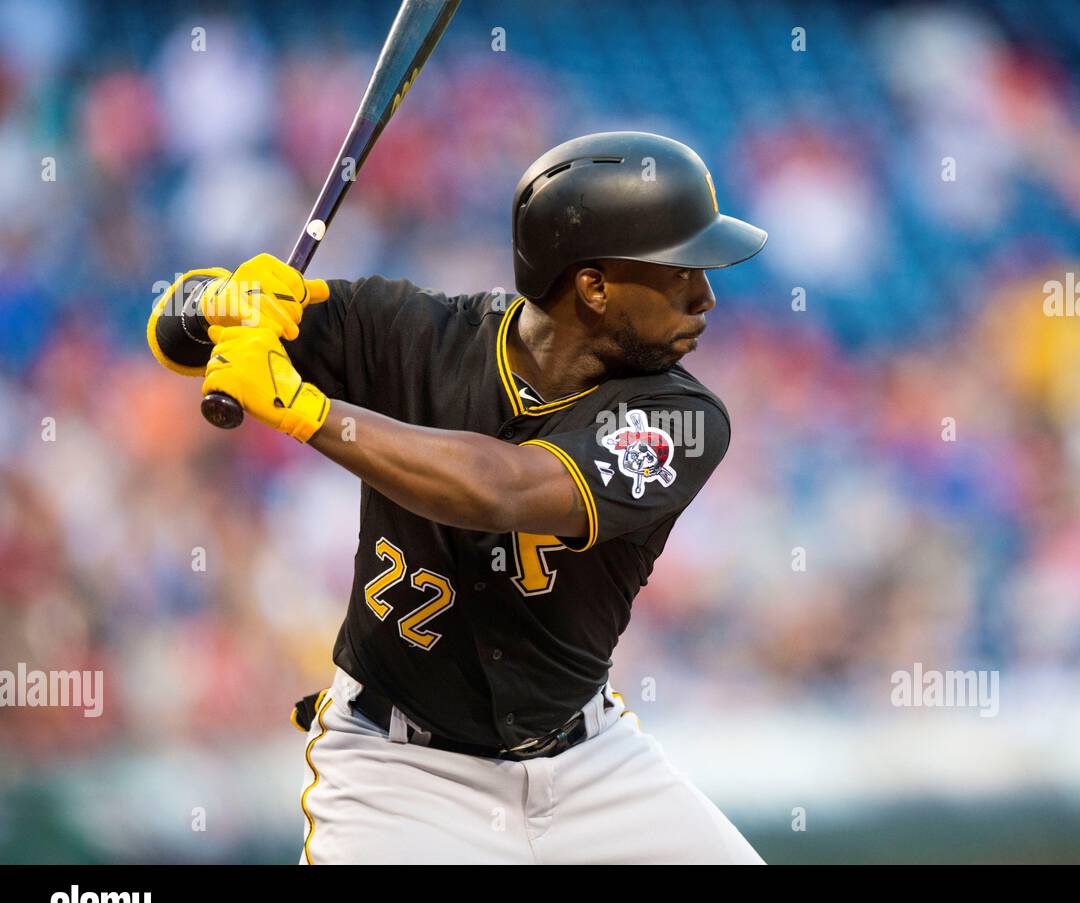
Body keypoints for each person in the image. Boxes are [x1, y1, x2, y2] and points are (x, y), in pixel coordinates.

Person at [147, 131, 767, 864]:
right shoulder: (410, 332)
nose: (706, 296)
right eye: (680, 271)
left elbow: (503, 487)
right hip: (399, 771)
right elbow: (174, 327)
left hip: (589, 763)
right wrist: (231, 302)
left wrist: (309, 411)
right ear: (593, 287)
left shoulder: (683, 417)